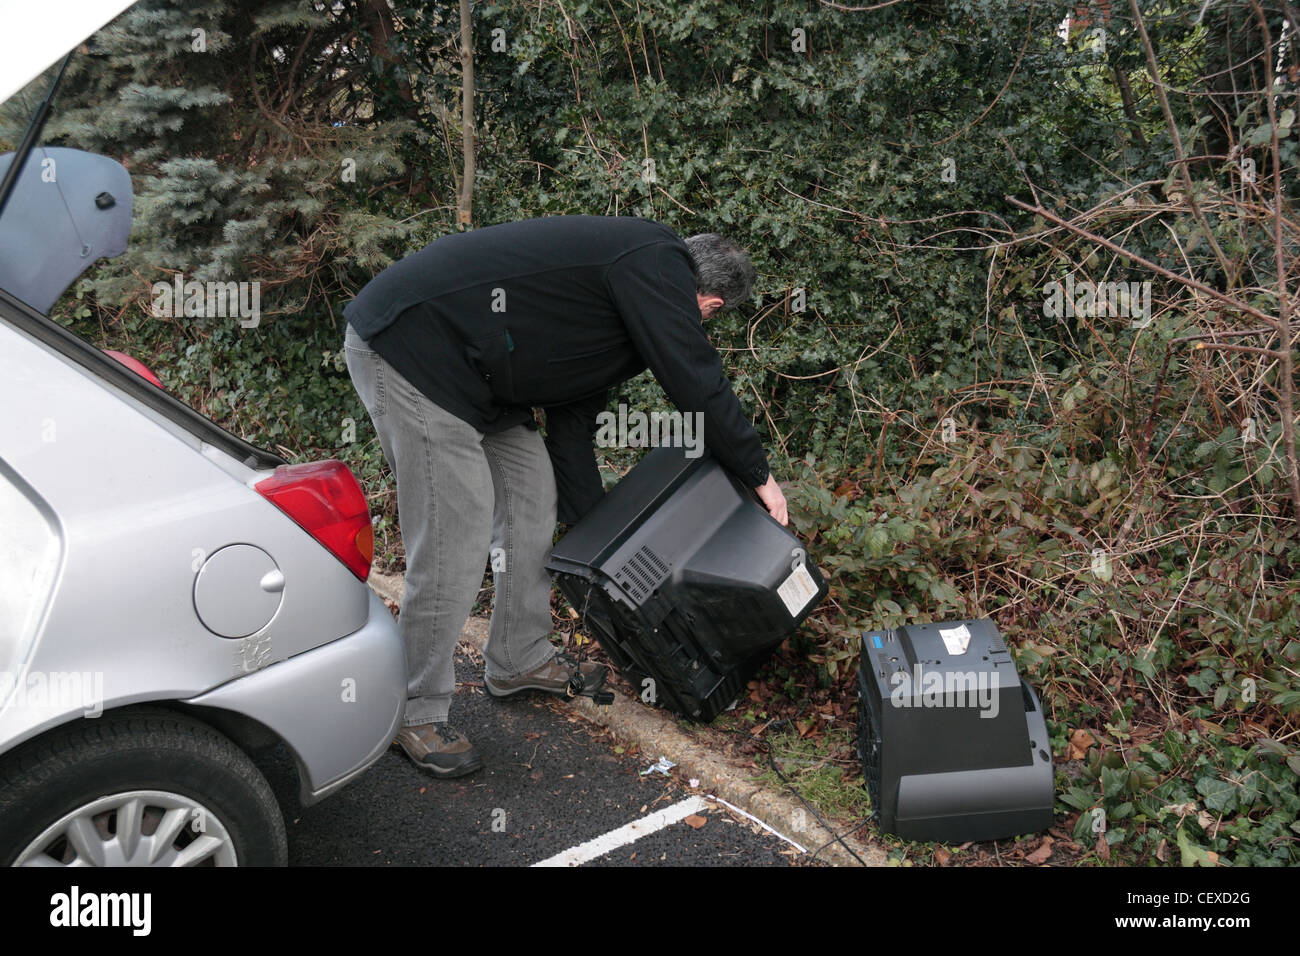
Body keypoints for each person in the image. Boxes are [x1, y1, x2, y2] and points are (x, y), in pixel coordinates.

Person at [342, 215, 787, 778]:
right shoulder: (654, 260)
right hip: (412, 352)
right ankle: (413, 707)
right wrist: (757, 473)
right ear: (711, 303)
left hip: (481, 380)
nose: (696, 324)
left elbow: (573, 426)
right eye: (706, 316)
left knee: (533, 499)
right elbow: (694, 378)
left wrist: (601, 549)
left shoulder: (618, 311)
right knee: (457, 530)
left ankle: (516, 658)